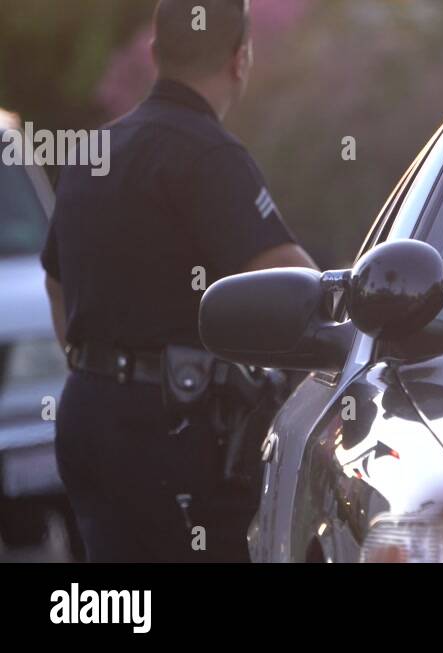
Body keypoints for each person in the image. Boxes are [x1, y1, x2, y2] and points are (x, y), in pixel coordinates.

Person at [40, 0, 316, 562]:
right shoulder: (209, 152)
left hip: (86, 414)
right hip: (171, 429)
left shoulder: (92, 150)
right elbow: (292, 281)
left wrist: (98, 368)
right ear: (241, 59)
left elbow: (55, 283)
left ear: (154, 54)